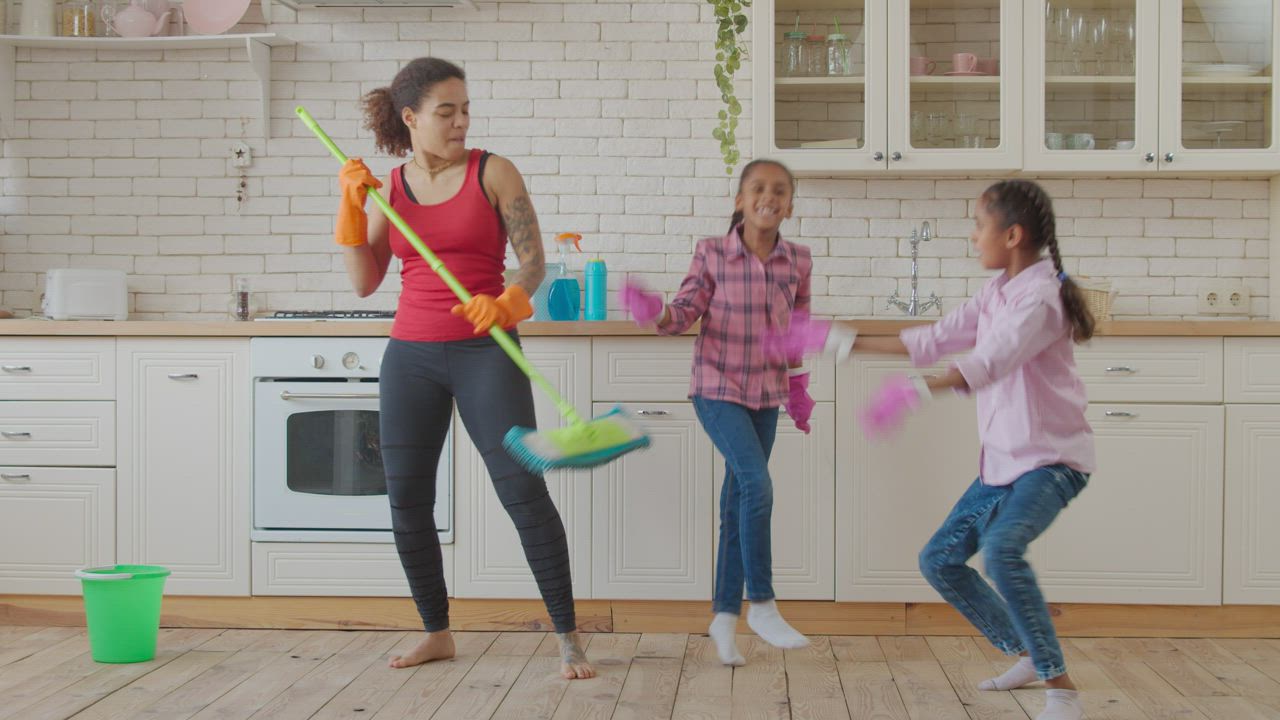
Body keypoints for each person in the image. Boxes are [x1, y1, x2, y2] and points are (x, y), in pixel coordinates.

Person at [773, 179, 1096, 720]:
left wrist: (917, 390)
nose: (973, 237)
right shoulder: (998, 292)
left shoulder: (1040, 298)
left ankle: (1061, 690)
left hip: (1050, 463)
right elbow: (934, 338)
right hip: (1004, 464)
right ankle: (1023, 651)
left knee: (1001, 552)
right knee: (940, 560)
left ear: (1011, 235)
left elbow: (990, 361)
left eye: (978, 225)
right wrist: (839, 341)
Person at [336, 57, 593, 679]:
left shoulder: (493, 171)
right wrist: (350, 209)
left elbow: (531, 263)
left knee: (523, 492)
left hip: (487, 352)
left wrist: (509, 300)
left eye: (466, 109)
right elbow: (365, 281)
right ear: (411, 117)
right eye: (446, 110)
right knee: (408, 502)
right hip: (411, 357)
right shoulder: (390, 191)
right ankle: (437, 631)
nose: (460, 121)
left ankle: (567, 637)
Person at [620, 158, 816, 666]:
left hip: (766, 394)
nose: (768, 196)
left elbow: (798, 330)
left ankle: (724, 618)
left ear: (790, 204)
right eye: (757, 188)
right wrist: (657, 312)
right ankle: (764, 604)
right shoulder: (712, 252)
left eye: (779, 190)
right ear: (739, 200)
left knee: (737, 506)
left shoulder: (799, 259)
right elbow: (685, 311)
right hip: (716, 387)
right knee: (757, 484)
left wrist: (798, 389)